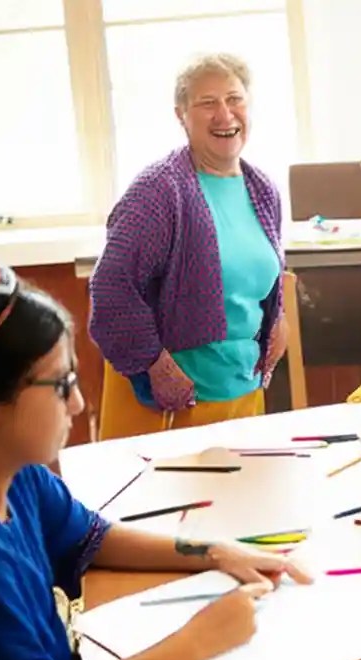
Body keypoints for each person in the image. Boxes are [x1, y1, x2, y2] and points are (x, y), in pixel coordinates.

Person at [0, 267, 311, 660]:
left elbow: (93, 537)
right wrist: (197, 640)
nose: (78, 404)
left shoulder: (9, 472)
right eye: (62, 385)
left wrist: (217, 552)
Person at [90, 52, 287, 441]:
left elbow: (259, 275)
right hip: (171, 404)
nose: (224, 114)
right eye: (207, 103)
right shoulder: (159, 191)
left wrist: (276, 320)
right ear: (181, 114)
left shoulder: (262, 189)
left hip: (241, 389)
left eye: (234, 99)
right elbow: (111, 287)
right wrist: (155, 366)